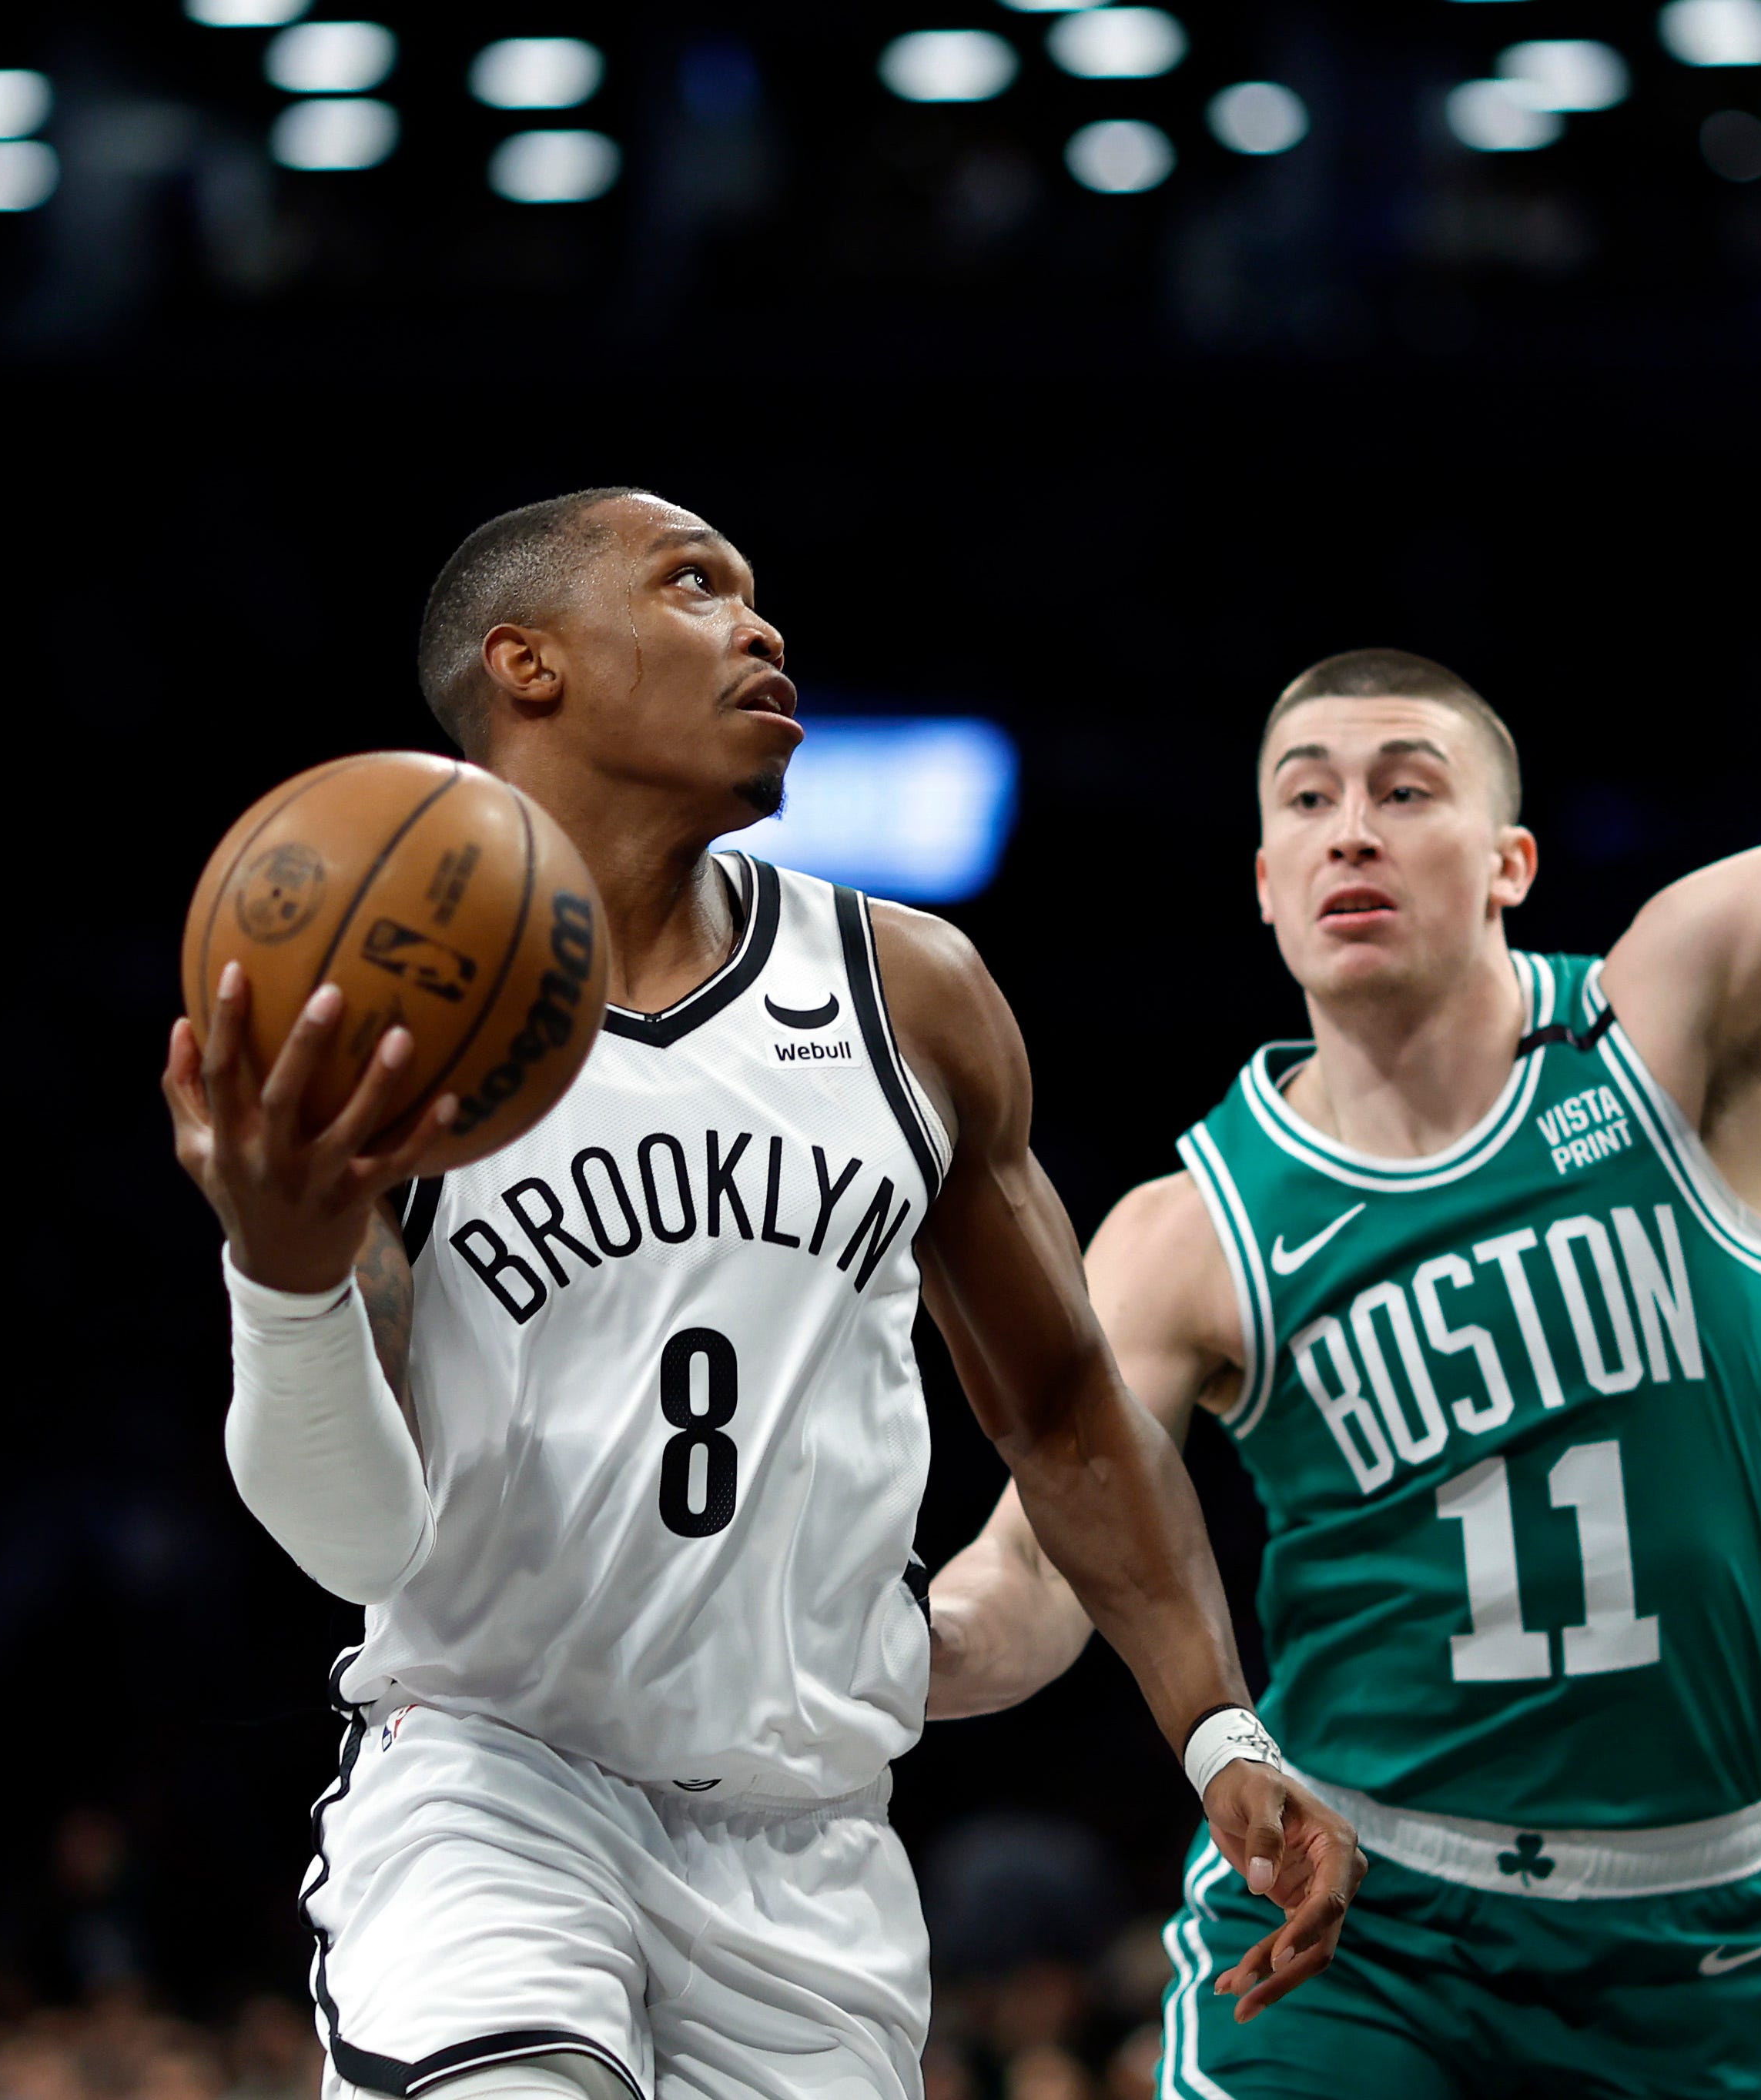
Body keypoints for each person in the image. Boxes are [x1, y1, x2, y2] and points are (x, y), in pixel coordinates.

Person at [923, 65, 1761, 2100]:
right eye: (1303, 799)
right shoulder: (1185, 1234)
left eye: (1404, 788)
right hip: (1353, 1919)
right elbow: (1034, 1585)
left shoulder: (1672, 1020)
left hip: (1681, 1939)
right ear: (1260, 883)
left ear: (1506, 862)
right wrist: (846, 1652)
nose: (1349, 826)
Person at [158, 489, 1361, 2100]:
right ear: (528, 663)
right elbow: (358, 1544)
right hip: (495, 1793)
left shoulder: (909, 994)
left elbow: (1069, 1409)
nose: (761, 625)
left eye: (754, 592)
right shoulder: (389, 1022)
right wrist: (286, 1279)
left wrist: (1221, 1732)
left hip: (811, 1854)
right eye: (692, 585)